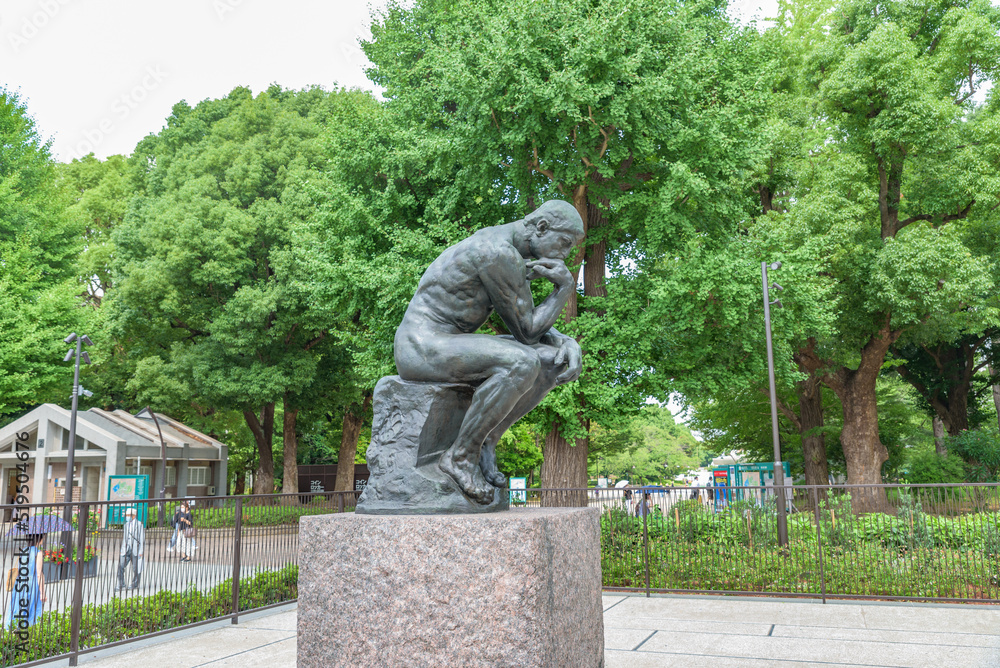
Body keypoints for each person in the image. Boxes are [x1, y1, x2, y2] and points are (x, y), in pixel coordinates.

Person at [394, 200, 585, 504]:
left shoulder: (508, 251)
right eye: (564, 243)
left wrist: (564, 341)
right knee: (521, 362)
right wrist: (563, 289)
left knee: (552, 361)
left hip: (450, 343)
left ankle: (485, 441)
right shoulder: (498, 252)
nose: (565, 253)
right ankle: (460, 458)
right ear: (542, 227)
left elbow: (524, 318)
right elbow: (528, 330)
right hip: (421, 344)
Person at [7, 534, 45, 627]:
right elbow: (39, 574)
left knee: (19, 608)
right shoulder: (38, 553)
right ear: (39, 540)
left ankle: (14, 630)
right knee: (32, 610)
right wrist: (42, 592)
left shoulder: (23, 550)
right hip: (32, 585)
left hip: (20, 584)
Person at [117, 507, 145, 591]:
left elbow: (142, 538)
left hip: (136, 549)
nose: (127, 517)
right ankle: (121, 584)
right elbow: (125, 538)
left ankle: (135, 584)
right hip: (126, 549)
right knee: (120, 566)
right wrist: (122, 549)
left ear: (134, 516)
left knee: (136, 568)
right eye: (126, 515)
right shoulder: (126, 525)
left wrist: (141, 551)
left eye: (128, 515)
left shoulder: (139, 524)